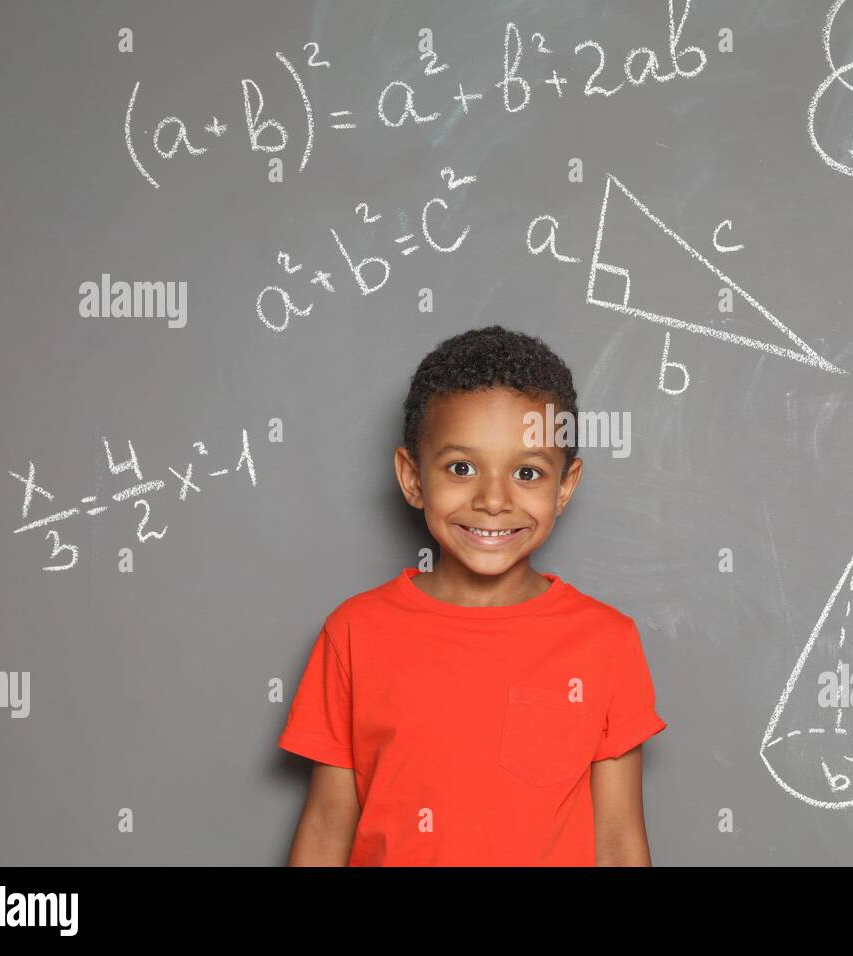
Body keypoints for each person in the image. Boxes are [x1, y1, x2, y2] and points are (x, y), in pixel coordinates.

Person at [277, 325, 668, 865]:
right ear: (413, 478)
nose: (492, 499)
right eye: (462, 468)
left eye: (527, 472)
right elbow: (325, 829)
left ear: (566, 486)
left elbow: (620, 842)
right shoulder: (355, 632)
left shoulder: (607, 642)